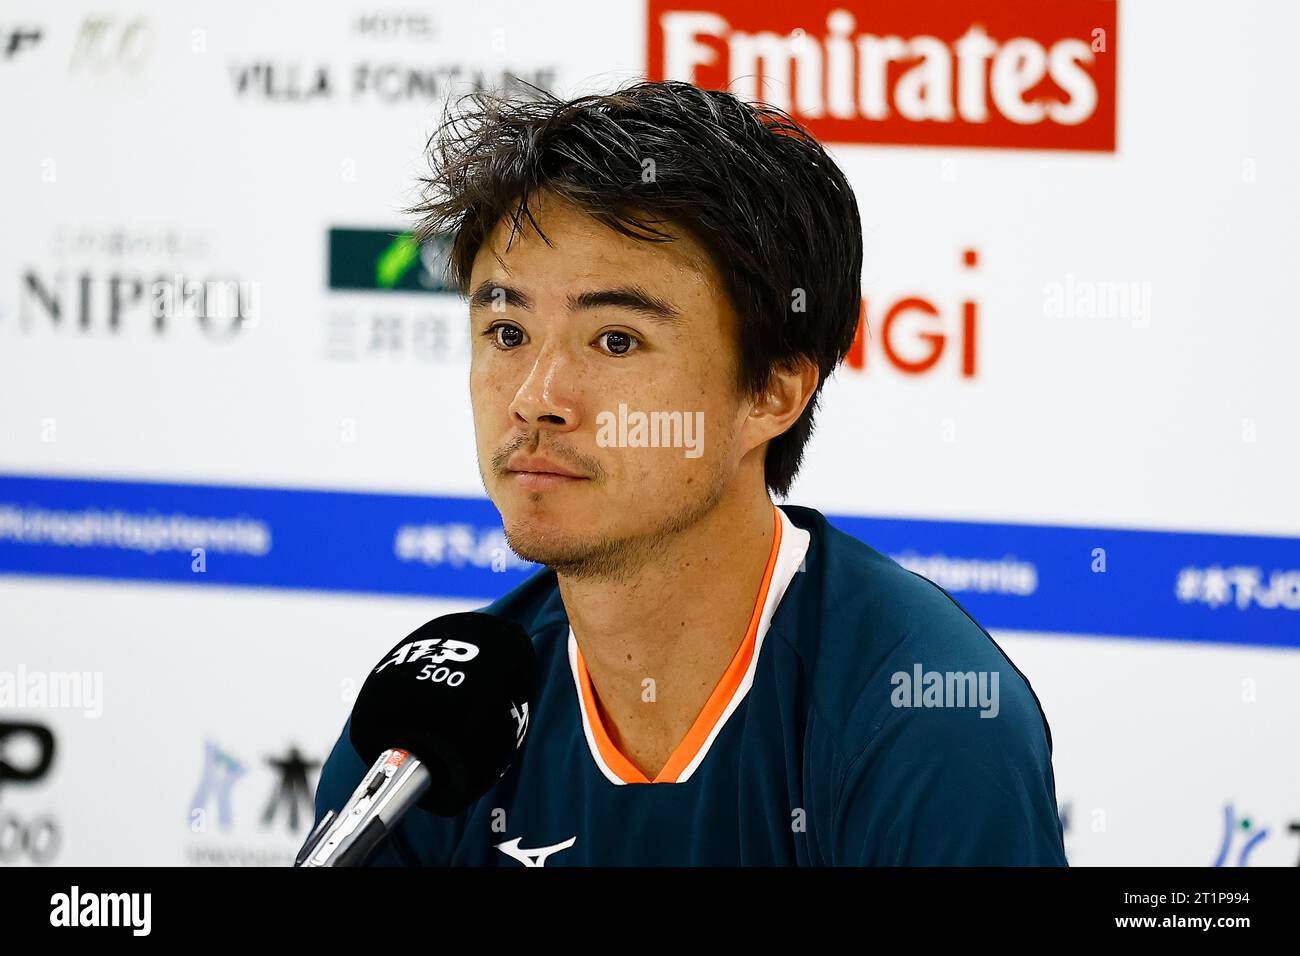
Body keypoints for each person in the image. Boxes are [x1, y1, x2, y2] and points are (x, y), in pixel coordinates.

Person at [311, 79, 1067, 866]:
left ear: (773, 392)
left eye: (616, 341)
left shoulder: (922, 720)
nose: (535, 400)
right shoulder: (434, 728)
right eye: (507, 332)